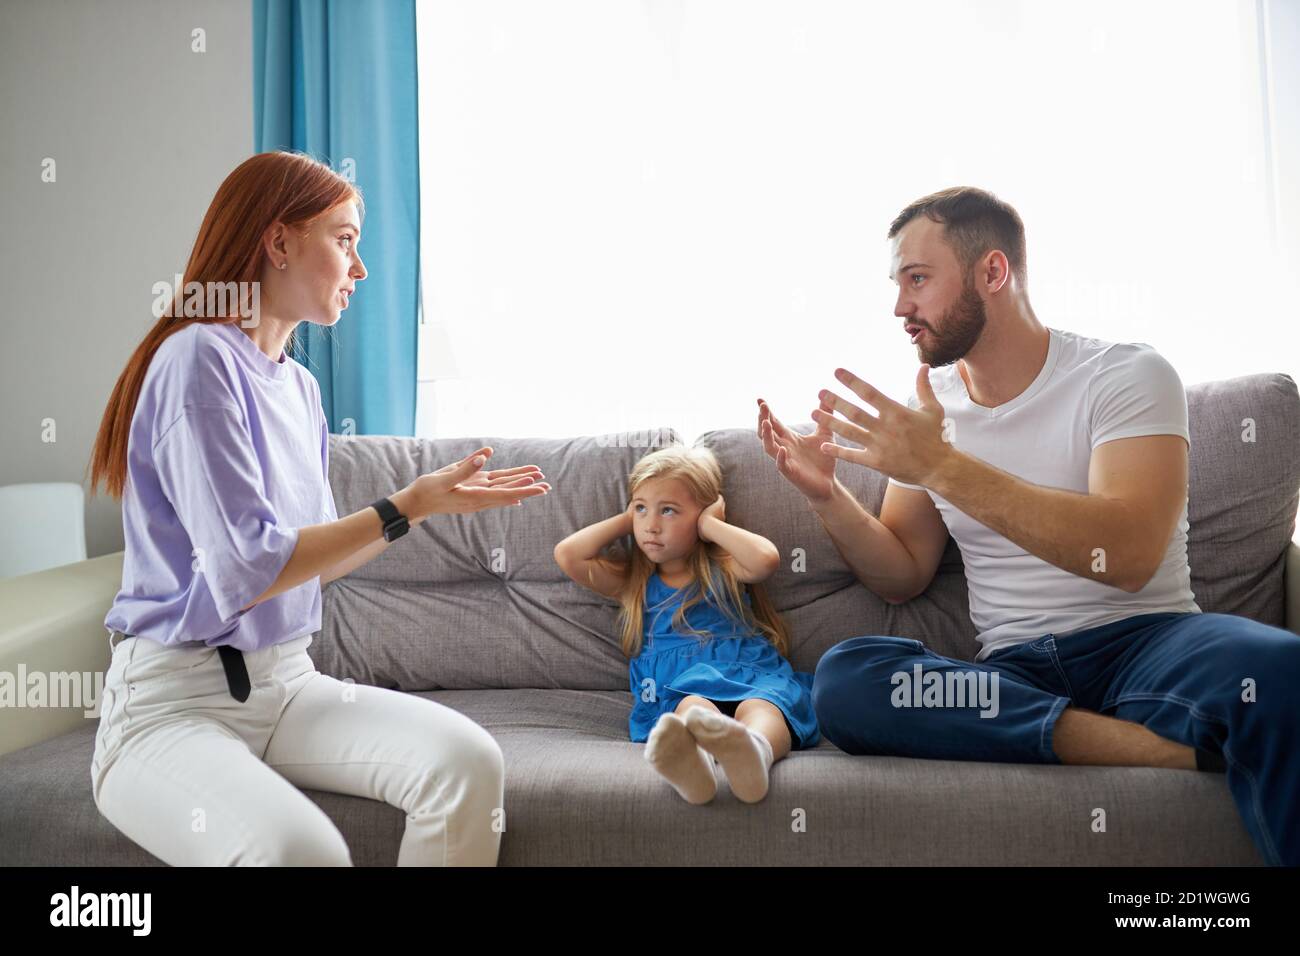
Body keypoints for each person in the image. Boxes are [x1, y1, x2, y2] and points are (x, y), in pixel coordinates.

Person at [759, 186, 1300, 865]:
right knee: (847, 680)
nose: (901, 307)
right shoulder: (931, 409)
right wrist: (826, 496)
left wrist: (943, 466)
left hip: (1150, 643)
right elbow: (902, 574)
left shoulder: (1126, 375)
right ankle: (1163, 752)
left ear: (992, 272)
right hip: (1013, 676)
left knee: (1281, 670)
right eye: (897, 285)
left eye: (918, 279)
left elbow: (1125, 554)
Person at [85, 150, 550, 866]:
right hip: (170, 705)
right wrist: (403, 502)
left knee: (467, 765)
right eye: (344, 240)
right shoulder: (197, 360)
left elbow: (309, 565)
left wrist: (421, 511)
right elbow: (247, 571)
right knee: (301, 853)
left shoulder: (299, 389)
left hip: (288, 682)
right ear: (278, 242)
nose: (359, 269)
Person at [554, 444, 818, 805]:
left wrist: (710, 525)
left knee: (763, 706)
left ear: (703, 513)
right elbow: (568, 554)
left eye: (668, 511)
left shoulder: (721, 567)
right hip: (680, 683)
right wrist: (627, 518)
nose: (651, 525)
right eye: (642, 509)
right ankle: (697, 770)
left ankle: (756, 753)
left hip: (749, 670)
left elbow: (765, 559)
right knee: (692, 705)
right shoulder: (635, 582)